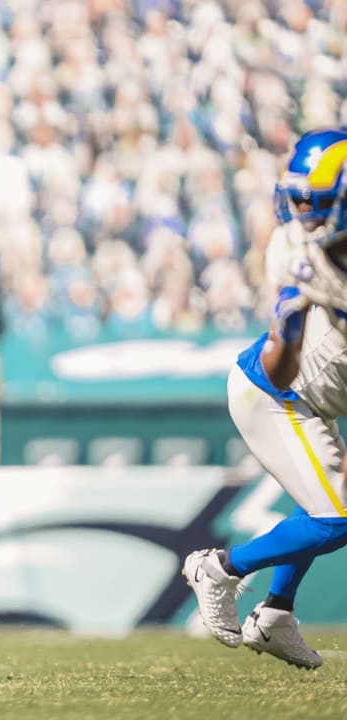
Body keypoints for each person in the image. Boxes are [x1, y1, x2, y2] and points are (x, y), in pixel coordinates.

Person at [183, 127, 347, 670]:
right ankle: (221, 568)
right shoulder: (294, 248)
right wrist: (288, 330)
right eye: (297, 197)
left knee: (323, 506)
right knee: (337, 519)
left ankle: (275, 615)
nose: (303, 210)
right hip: (277, 394)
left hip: (320, 396)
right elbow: (282, 366)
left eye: (317, 201)